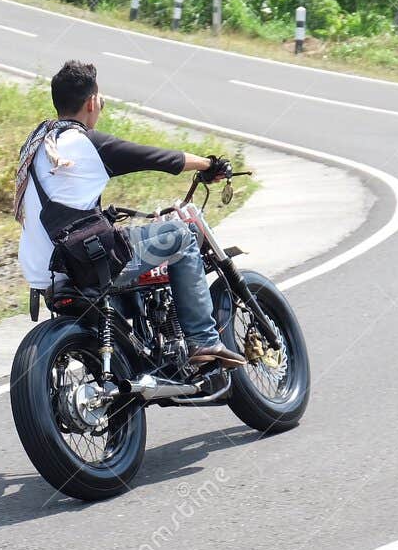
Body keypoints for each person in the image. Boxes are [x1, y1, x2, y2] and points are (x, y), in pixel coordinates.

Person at [14, 60, 245, 367]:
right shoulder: (82, 142)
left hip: (45, 272)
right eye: (101, 100)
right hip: (85, 262)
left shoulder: (38, 144)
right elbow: (156, 158)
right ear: (92, 102)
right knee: (184, 236)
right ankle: (203, 340)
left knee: (119, 245)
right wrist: (208, 164)